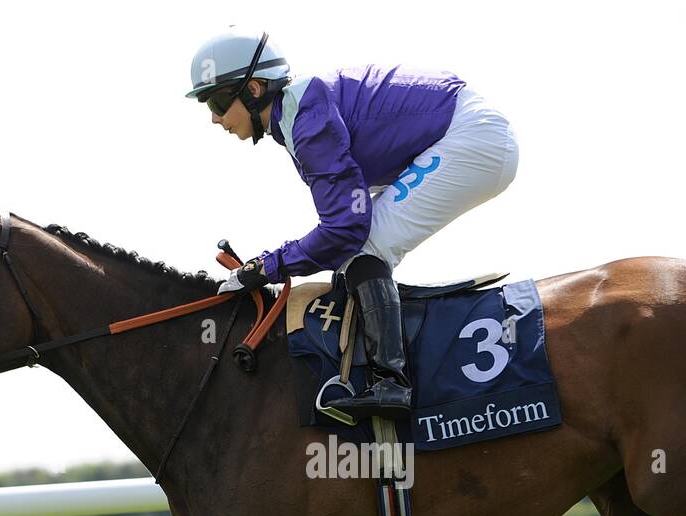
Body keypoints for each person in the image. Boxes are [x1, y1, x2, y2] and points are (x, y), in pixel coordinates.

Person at [186, 27, 519, 420]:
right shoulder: (298, 115)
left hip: (472, 137)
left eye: (219, 101)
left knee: (363, 247)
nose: (213, 117)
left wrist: (267, 266)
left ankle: (391, 383)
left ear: (255, 89)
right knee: (357, 256)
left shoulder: (306, 122)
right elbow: (344, 223)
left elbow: (344, 230)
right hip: (465, 130)